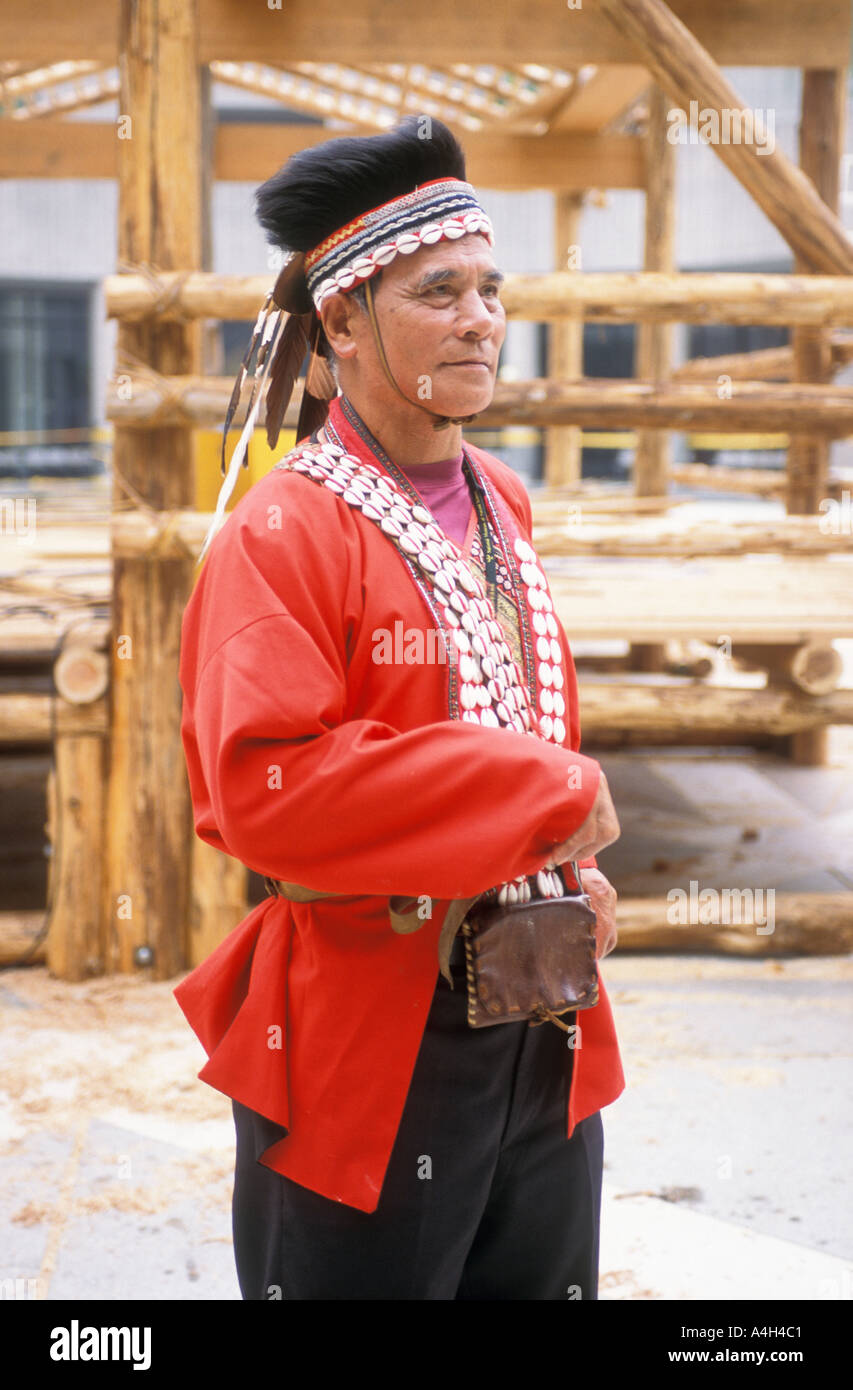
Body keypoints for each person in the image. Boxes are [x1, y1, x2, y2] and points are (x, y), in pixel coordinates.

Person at [174, 115, 624, 1301]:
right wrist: (545, 794)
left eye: (491, 288)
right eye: (439, 291)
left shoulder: (500, 501)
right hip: (371, 1039)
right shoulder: (282, 535)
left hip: (540, 1013)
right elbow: (268, 788)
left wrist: (557, 865)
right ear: (342, 322)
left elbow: (512, 703)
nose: (481, 317)